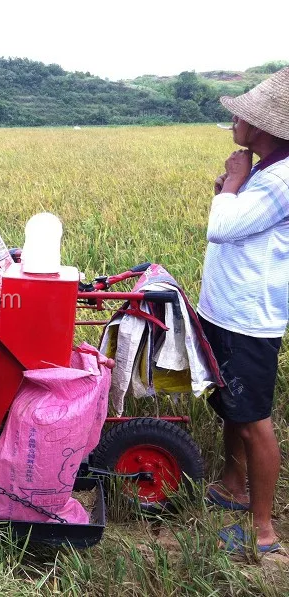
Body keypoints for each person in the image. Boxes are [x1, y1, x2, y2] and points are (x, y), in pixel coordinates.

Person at [197, 67, 289, 555]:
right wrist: (232, 189)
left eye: (242, 115)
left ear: (263, 127)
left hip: (248, 318)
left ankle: (263, 532)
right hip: (229, 309)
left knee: (253, 418)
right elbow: (236, 222)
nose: (234, 120)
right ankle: (233, 485)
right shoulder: (267, 171)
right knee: (232, 404)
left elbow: (222, 229)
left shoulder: (280, 181)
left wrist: (233, 182)